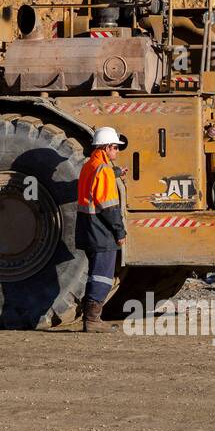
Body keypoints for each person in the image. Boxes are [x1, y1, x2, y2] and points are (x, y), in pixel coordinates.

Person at [76, 126, 126, 332]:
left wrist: (115, 172)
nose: (117, 152)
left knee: (95, 272)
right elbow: (109, 206)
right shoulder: (103, 170)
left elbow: (95, 182)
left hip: (87, 227)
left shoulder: (90, 165)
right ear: (106, 148)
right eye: (115, 147)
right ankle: (93, 319)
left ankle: (90, 317)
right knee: (102, 275)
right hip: (101, 229)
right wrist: (119, 231)